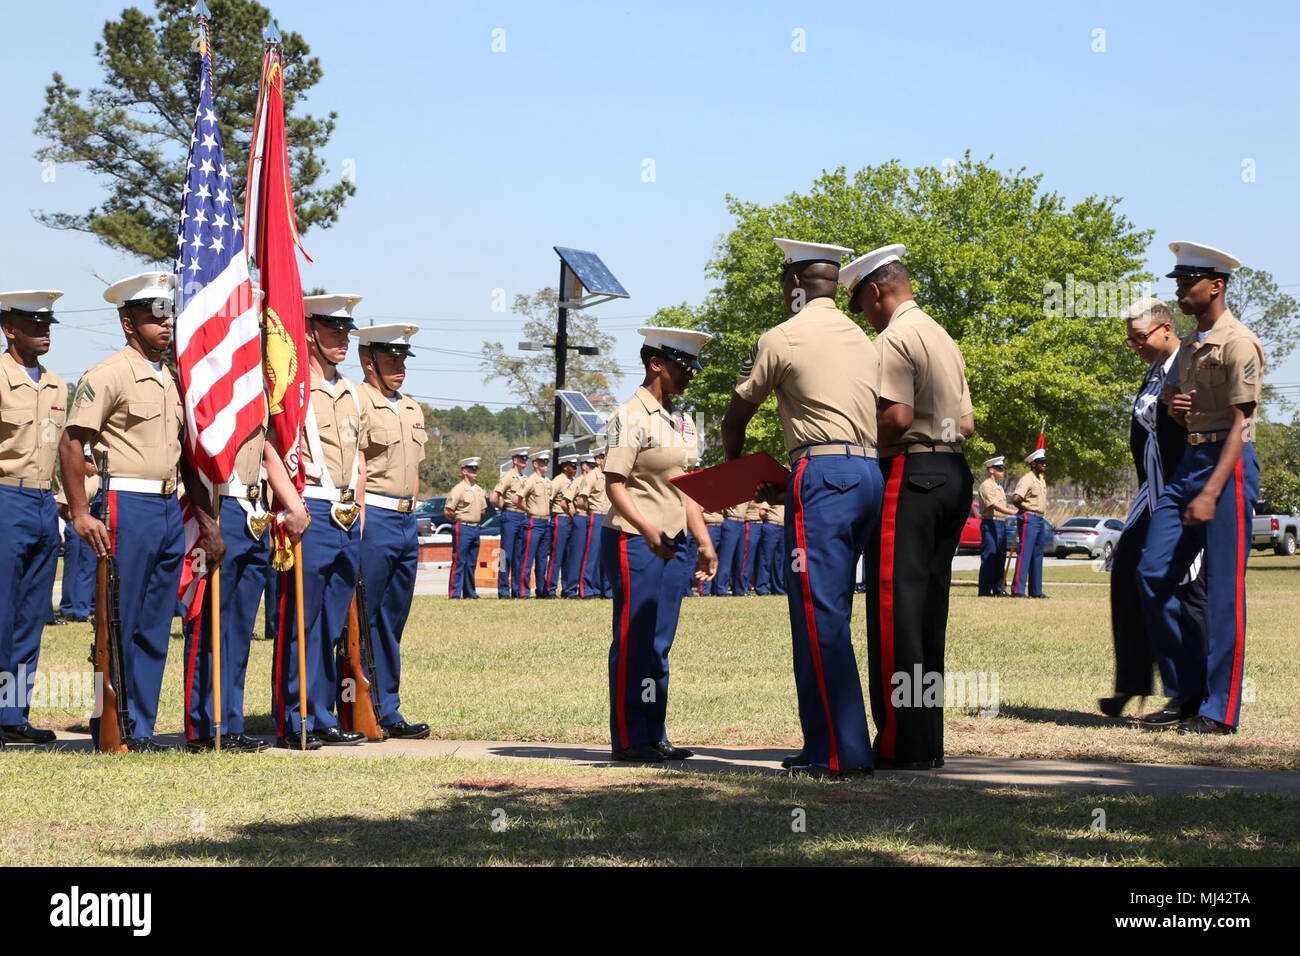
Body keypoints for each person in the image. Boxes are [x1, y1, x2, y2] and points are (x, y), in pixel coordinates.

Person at [721, 237, 881, 778]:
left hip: (822, 473)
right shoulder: (863, 338)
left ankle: (843, 752)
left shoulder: (784, 336)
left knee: (819, 615)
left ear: (794, 285)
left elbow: (736, 414)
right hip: (865, 473)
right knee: (827, 611)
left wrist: (737, 468)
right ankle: (822, 745)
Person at [61, 273, 213, 752]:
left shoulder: (170, 378)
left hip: (169, 506)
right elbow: (72, 441)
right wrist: (82, 513)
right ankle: (110, 720)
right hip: (126, 502)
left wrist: (206, 522)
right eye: (152, 317)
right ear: (128, 323)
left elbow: (184, 455)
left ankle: (139, 726)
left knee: (152, 625)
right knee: (119, 620)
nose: (164, 325)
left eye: (166, 316)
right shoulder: (107, 374)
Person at [844, 244, 975, 771]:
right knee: (927, 616)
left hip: (910, 472)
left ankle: (901, 742)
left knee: (894, 612)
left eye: (862, 303)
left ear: (875, 291)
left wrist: (857, 444)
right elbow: (965, 425)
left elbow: (895, 417)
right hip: (951, 474)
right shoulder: (942, 336)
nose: (865, 314)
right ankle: (926, 742)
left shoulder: (894, 337)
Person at [1138, 242, 1263, 735]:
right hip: (1191, 460)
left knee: (1223, 593)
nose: (1179, 289)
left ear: (1217, 284)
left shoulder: (1238, 343)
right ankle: (1187, 690)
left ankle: (1220, 709)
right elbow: (1177, 406)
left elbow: (1241, 423)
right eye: (1177, 281)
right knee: (1152, 574)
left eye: (1187, 281)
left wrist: (1213, 490)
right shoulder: (1189, 346)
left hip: (1226, 467)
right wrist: (1176, 408)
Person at [603, 327, 717, 762]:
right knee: (634, 640)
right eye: (683, 367)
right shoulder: (627, 416)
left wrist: (703, 540)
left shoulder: (682, 420)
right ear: (656, 364)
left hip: (677, 544)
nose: (690, 376)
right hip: (637, 542)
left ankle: (655, 732)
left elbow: (685, 488)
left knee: (659, 642)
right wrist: (648, 530)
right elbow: (614, 484)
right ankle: (630, 740)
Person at [269, 293, 369, 749]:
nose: (342, 339)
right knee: (300, 623)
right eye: (333, 331)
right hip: (310, 509)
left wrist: (361, 504)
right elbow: (269, 445)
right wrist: (292, 505)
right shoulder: (291, 387)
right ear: (308, 331)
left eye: (346, 331)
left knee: (330, 625)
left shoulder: (350, 392)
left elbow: (361, 453)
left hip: (346, 513)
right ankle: (294, 717)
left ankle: (322, 713)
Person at [1101, 298, 1209, 720]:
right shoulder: (1154, 371)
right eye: (1130, 341)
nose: (1136, 346)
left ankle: (1188, 693)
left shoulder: (1190, 364)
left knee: (1184, 588)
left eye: (1140, 338)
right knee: (1127, 576)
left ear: (1166, 328)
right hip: (1151, 495)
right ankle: (1132, 682)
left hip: (1183, 492)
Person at [354, 323, 430, 739]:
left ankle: (387, 707)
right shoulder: (356, 400)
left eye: (402, 359)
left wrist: (412, 514)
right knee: (360, 617)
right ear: (369, 362)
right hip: (373, 517)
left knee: (391, 620)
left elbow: (413, 469)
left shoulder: (413, 407)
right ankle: (350, 702)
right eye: (390, 360)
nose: (400, 367)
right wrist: (360, 515)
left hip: (404, 521)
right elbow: (354, 463)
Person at [0, 289, 66, 745]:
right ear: (10, 329)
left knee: (30, 617)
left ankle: (13, 716)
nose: (44, 332)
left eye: (47, 325)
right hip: (5, 498)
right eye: (34, 324)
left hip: (45, 503)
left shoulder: (58, 384)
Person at [56, 446, 99, 624]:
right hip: (79, 524)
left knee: (81, 569)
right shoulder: (81, 478)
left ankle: (77, 607)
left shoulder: (91, 478)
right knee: (78, 569)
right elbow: (61, 506)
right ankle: (74, 608)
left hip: (83, 525)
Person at [445, 457, 487, 599]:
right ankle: (455, 593)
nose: (475, 471)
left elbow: (483, 510)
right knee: (459, 561)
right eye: (471, 469)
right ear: (464, 471)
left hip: (475, 528)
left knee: (471, 563)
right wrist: (459, 520)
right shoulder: (458, 489)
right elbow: (448, 510)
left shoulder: (479, 489)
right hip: (463, 527)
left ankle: (469, 592)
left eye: (476, 469)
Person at [1009, 449, 1049, 598]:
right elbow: (1016, 498)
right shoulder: (1027, 479)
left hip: (1040, 518)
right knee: (1025, 553)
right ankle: (1018, 590)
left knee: (1037, 555)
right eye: (1041, 462)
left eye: (1045, 462)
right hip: (1029, 518)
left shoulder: (1041, 479)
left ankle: (1036, 591)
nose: (1044, 465)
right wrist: (1024, 509)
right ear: (1033, 463)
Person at [490, 448, 529, 598]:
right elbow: (494, 497)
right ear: (515, 460)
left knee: (519, 555)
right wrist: (504, 508)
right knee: (506, 555)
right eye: (521, 458)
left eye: (526, 459)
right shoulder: (508, 477)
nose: (524, 461)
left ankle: (517, 590)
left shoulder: (524, 478)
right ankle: (504, 590)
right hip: (510, 515)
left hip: (522, 516)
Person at [976, 457, 1017, 597]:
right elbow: (994, 505)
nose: (1002, 471)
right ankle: (985, 590)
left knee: (1000, 557)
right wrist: (1013, 512)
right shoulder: (986, 486)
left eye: (1003, 468)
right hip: (990, 522)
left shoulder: (999, 487)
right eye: (999, 468)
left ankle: (999, 588)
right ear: (991, 470)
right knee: (989, 557)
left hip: (1001, 523)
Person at [517, 450, 553, 598]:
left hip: (545, 522)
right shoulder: (531, 480)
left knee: (542, 559)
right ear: (535, 464)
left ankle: (541, 590)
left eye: (547, 462)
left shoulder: (547, 481)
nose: (546, 464)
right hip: (534, 521)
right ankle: (523, 591)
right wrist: (528, 509)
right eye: (542, 462)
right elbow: (517, 499)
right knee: (527, 558)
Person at [544, 455, 577, 597]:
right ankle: (550, 589)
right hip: (561, 519)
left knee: (569, 557)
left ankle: (567, 589)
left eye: (576, 466)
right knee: (557, 556)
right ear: (565, 467)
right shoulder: (558, 480)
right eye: (572, 466)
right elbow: (549, 500)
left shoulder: (573, 481)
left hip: (571, 521)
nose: (575, 469)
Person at [581, 451, 611, 598]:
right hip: (596, 515)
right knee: (591, 555)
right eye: (605, 456)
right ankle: (586, 589)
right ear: (598, 460)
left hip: (608, 517)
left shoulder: (609, 474)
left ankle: (604, 589)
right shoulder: (593, 475)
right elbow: (582, 498)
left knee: (607, 556)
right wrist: (589, 510)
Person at [562, 456, 593, 598]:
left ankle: (585, 588)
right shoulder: (578, 481)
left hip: (591, 518)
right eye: (590, 465)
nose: (593, 468)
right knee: (576, 555)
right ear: (584, 466)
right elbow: (564, 502)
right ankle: (570, 589)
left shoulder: (594, 480)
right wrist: (573, 516)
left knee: (590, 556)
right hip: (581, 517)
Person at [714, 503, 747, 595]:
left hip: (743, 522)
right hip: (731, 520)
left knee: (740, 559)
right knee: (726, 559)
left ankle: (739, 590)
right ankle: (721, 589)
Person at [755, 502, 786, 595]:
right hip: (772, 525)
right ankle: (762, 588)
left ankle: (777, 588)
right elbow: (762, 512)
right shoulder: (771, 494)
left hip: (783, 527)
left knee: (779, 560)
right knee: (766, 558)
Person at [699, 507, 725, 596]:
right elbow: (699, 510)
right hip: (710, 525)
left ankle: (715, 589)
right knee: (708, 558)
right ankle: (704, 590)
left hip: (721, 525)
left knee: (719, 559)